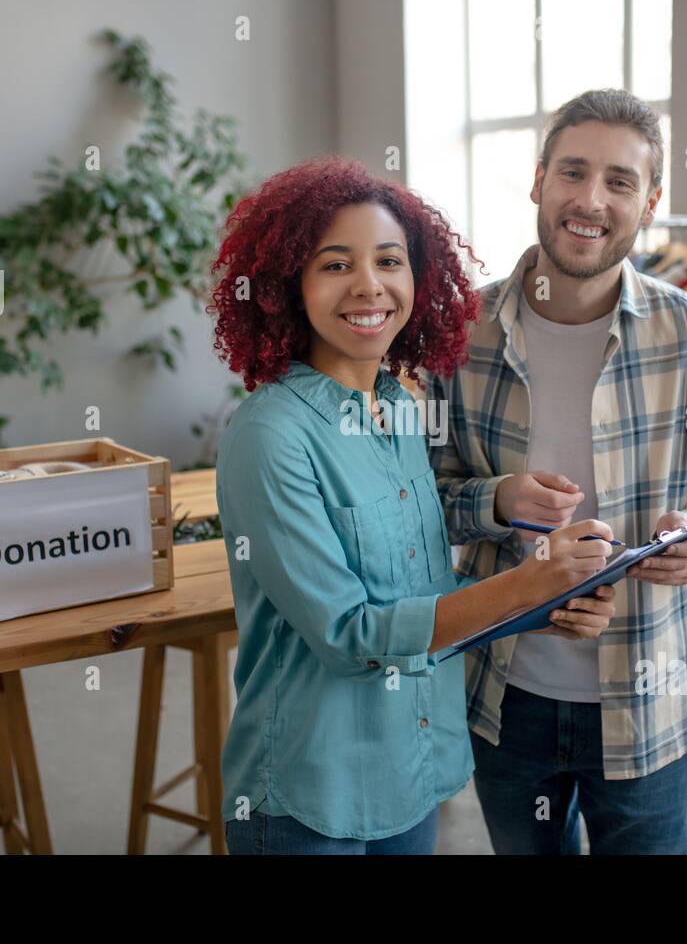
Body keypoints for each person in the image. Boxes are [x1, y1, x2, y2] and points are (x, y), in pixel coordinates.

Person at [207, 155, 620, 854]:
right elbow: (349, 635)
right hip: (310, 793)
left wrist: (546, 605)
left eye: (389, 261)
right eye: (335, 265)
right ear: (289, 287)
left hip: (411, 771)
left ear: (417, 278)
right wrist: (522, 584)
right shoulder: (269, 435)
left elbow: (424, 597)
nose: (369, 286)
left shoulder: (401, 411)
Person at [429, 90, 687, 854]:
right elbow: (421, 502)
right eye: (572, 172)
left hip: (653, 695)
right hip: (505, 691)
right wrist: (499, 500)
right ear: (538, 180)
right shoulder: (459, 336)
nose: (590, 199)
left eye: (619, 181)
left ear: (650, 202)